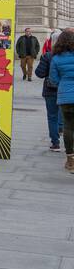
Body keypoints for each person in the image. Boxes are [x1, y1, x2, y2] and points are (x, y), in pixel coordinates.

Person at [48, 29, 74, 172]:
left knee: (68, 127)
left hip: (65, 96)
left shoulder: (56, 58)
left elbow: (53, 80)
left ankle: (71, 160)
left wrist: (64, 84)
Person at [36, 30, 63, 151]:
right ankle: (62, 130)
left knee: (52, 116)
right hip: (66, 90)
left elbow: (39, 73)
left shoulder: (48, 55)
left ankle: (55, 142)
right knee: (65, 115)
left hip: (50, 89)